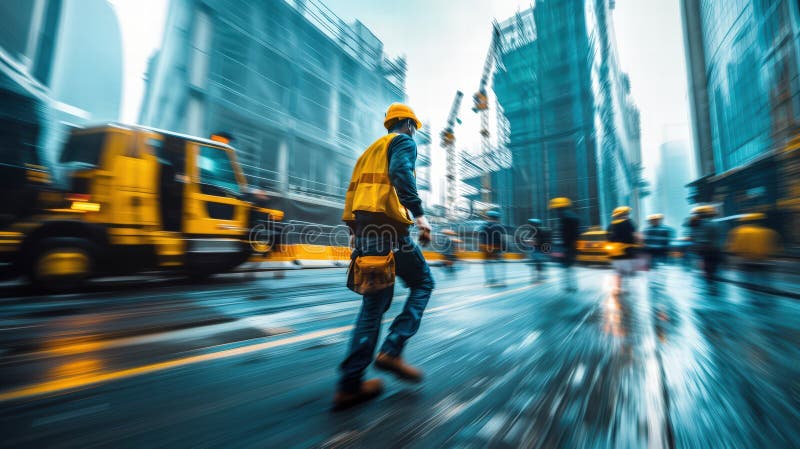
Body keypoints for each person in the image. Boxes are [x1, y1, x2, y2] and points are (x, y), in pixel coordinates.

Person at [335, 103, 435, 410]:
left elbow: (352, 193)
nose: (413, 132)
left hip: (366, 232)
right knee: (423, 284)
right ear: (407, 124)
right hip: (390, 230)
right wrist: (419, 215)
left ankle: (350, 384)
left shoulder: (368, 152)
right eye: (413, 127)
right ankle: (392, 349)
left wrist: (354, 229)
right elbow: (400, 173)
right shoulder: (402, 142)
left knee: (373, 305)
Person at [549, 197, 580, 292]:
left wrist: (563, 246)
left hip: (567, 246)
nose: (555, 210)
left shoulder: (564, 217)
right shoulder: (571, 216)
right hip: (572, 245)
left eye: (555, 208)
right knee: (569, 266)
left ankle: (568, 286)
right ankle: (572, 285)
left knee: (566, 266)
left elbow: (566, 233)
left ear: (559, 207)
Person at [607, 206, 638, 293]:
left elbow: (608, 239)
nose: (628, 215)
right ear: (624, 214)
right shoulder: (629, 223)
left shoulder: (610, 226)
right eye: (627, 214)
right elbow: (635, 236)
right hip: (626, 252)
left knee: (617, 271)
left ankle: (617, 287)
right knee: (626, 271)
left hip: (614, 253)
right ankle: (625, 288)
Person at [689, 205, 724, 280]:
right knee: (711, 267)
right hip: (712, 249)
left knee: (707, 266)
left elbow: (693, 237)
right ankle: (710, 277)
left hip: (702, 249)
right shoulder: (713, 224)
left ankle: (708, 275)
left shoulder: (694, 225)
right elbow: (718, 237)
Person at [480, 210, 506, 287]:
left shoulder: (483, 226)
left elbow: (481, 236)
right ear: (497, 218)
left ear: (488, 217)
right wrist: (503, 248)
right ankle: (501, 280)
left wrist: (481, 247)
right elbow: (501, 238)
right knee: (500, 263)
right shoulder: (499, 226)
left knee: (487, 263)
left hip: (485, 247)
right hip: (496, 247)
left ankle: (489, 280)